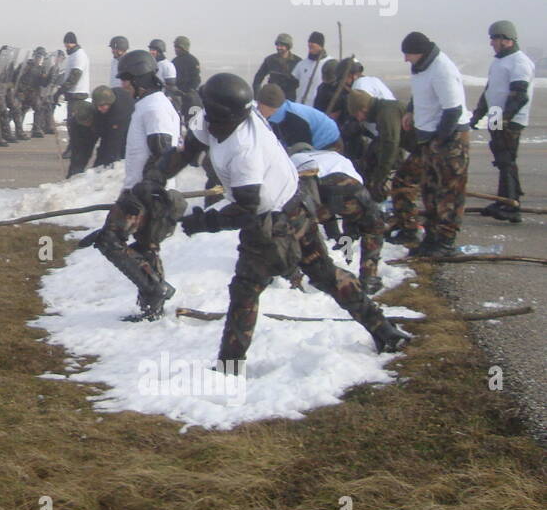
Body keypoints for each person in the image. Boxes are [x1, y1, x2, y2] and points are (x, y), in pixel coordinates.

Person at [157, 73, 409, 370]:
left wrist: (204, 222)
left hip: (274, 220)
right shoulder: (221, 120)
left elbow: (247, 208)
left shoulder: (243, 150)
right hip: (294, 202)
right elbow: (188, 151)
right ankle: (384, 331)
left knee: (246, 289)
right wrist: (154, 179)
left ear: (221, 112)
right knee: (324, 273)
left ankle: (229, 367)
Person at [77, 50, 183, 321]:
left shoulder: (155, 107)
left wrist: (140, 193)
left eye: (127, 80)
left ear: (140, 79)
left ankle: (156, 288)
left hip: (146, 193)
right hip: (147, 191)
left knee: (109, 240)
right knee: (147, 246)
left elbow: (162, 152)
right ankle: (151, 311)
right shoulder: (152, 103)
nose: (124, 85)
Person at [401, 31, 470, 257]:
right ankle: (431, 237)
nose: (405, 59)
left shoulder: (442, 70)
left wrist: (440, 141)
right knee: (429, 189)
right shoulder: (421, 68)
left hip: (449, 140)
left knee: (449, 191)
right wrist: (411, 111)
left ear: (420, 52)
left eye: (408, 54)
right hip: (429, 138)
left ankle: (446, 241)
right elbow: (420, 94)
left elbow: (453, 110)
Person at [288, 142, 387, 295]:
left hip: (317, 188)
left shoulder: (294, 159)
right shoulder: (334, 155)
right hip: (350, 186)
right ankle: (369, 278)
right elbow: (355, 191)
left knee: (303, 234)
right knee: (373, 228)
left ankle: (302, 277)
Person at [470, 20, 535, 224]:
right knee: (501, 158)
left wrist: (504, 120)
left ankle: (511, 205)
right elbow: (490, 91)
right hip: (497, 115)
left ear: (505, 39)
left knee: (506, 160)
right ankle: (503, 201)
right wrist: (478, 115)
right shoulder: (499, 61)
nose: (491, 43)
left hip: (511, 119)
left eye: (493, 38)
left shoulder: (519, 62)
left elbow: (519, 96)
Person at [255, 85, 341, 150]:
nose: (257, 109)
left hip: (328, 142)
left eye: (259, 105)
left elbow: (303, 149)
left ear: (271, 108)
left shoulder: (294, 119)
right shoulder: (273, 116)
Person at [64, 86, 119, 177]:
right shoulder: (75, 124)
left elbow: (108, 141)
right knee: (79, 157)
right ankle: (73, 177)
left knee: (104, 153)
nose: (87, 123)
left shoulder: (100, 115)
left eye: (88, 121)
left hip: (98, 130)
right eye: (85, 122)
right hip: (82, 133)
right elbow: (77, 145)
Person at [253, 33, 301, 100]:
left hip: (291, 99)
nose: (278, 48)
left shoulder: (298, 62)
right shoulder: (270, 60)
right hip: (273, 98)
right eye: (277, 45)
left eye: (281, 46)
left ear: (288, 46)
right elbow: (258, 78)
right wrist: (258, 97)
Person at [292, 32, 334, 105]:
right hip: (301, 105)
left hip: (318, 105)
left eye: (313, 43)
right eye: (309, 43)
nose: (310, 44)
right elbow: (294, 83)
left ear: (320, 45)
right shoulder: (302, 64)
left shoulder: (330, 63)